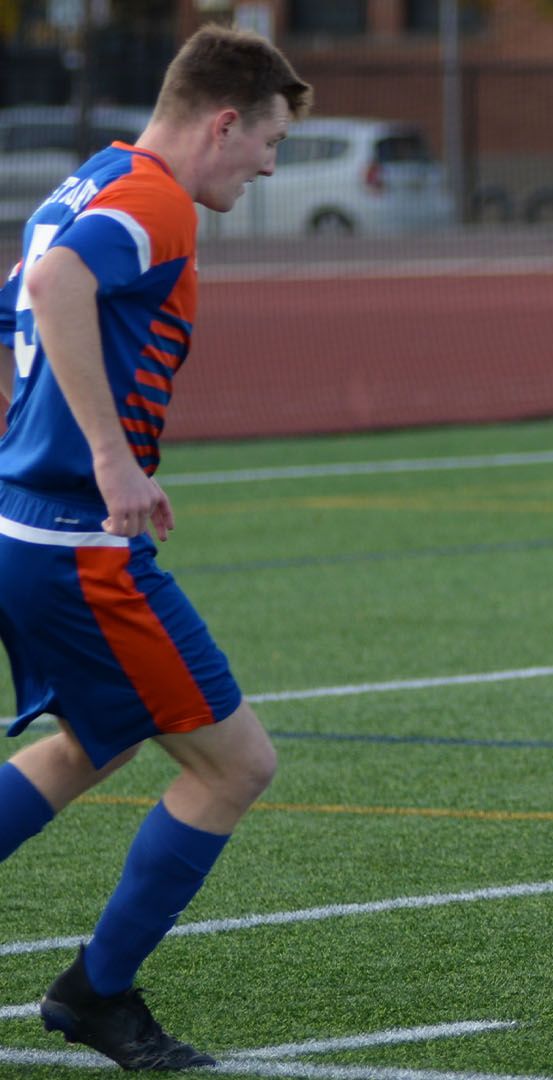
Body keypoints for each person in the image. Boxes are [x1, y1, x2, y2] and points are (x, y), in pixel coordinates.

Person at [0, 25, 310, 1069]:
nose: (269, 165)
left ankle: (96, 990)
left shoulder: (89, 181)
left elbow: (19, 290)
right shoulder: (157, 199)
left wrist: (38, 443)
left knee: (103, 740)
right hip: (82, 549)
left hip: (31, 531)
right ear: (223, 120)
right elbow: (51, 293)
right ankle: (96, 993)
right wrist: (109, 460)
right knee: (234, 764)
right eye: (266, 141)